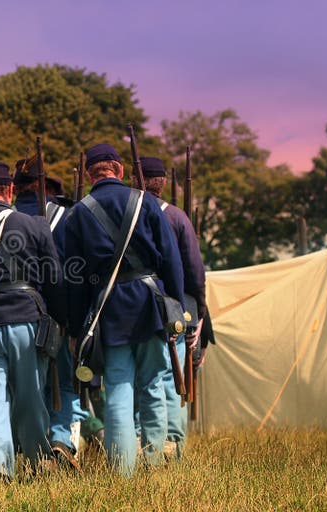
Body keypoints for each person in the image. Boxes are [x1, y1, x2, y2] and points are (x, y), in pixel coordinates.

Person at [65, 143, 184, 476]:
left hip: (109, 309)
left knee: (117, 388)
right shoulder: (146, 201)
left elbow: (74, 277)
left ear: (90, 175)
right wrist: (174, 303)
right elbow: (171, 259)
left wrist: (78, 328)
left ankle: (122, 470)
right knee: (153, 385)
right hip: (150, 304)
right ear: (118, 169)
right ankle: (155, 462)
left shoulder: (79, 212)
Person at [0, 162, 66, 477]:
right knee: (31, 397)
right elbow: (55, 279)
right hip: (28, 321)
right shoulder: (35, 226)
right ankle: (36, 462)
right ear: (9, 190)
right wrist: (59, 321)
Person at [11, 159, 83, 468]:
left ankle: (27, 445)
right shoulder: (67, 218)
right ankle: (60, 440)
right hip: (57, 313)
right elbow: (76, 273)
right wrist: (71, 321)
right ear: (49, 188)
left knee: (22, 386)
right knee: (63, 383)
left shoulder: (5, 217)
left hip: (15, 313)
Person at [140, 156, 207, 458]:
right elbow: (194, 271)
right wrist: (199, 313)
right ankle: (173, 443)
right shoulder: (178, 217)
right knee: (173, 376)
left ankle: (149, 440)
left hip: (139, 306)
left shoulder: (129, 215)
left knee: (149, 376)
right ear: (163, 182)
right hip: (176, 307)